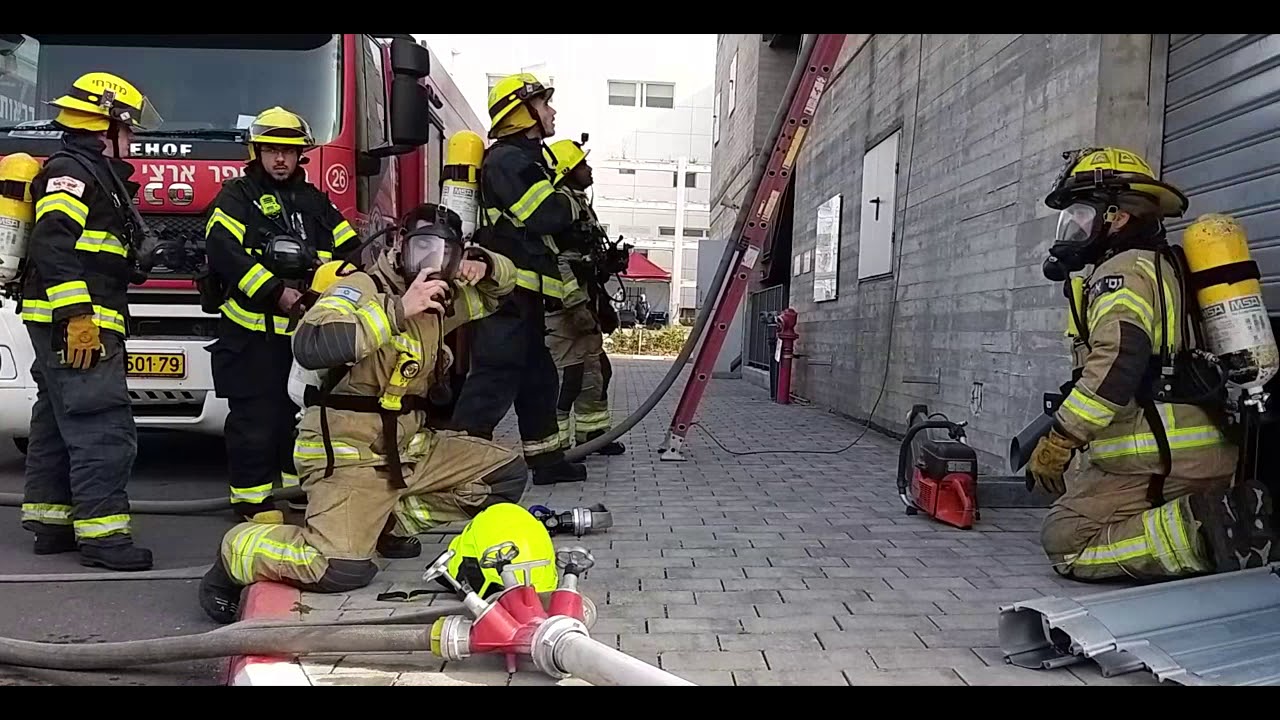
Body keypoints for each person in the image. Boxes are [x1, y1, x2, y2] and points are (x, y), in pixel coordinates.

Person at [198, 203, 529, 624]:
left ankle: (391, 522)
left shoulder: (442, 296)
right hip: (351, 453)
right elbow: (311, 344)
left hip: (410, 449)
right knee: (343, 569)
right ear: (397, 244)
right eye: (422, 248)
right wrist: (397, 311)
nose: (432, 262)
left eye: (445, 253)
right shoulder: (359, 288)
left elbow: (502, 290)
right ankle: (238, 551)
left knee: (505, 474)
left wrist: (484, 263)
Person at [1029, 146, 1277, 582]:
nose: (1071, 228)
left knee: (1066, 540)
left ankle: (1209, 532)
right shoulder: (1165, 266)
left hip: (1162, 460)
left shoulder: (1121, 273)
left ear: (1117, 217)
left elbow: (1118, 361)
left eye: (1082, 214)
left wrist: (1061, 439)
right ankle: (1209, 513)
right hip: (1201, 454)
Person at [16, 72, 162, 571]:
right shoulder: (73, 172)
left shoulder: (89, 170)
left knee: (59, 420)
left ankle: (53, 523)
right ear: (109, 124)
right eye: (130, 129)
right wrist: (79, 314)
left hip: (69, 316)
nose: (135, 140)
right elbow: (52, 242)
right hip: (79, 320)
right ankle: (103, 536)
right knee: (102, 423)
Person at [202, 106, 361, 524]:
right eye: (272, 150)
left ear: (300, 155)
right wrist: (277, 293)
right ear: (256, 152)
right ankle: (253, 503)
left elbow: (351, 253)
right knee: (256, 420)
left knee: (303, 416)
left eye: (288, 151)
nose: (280, 159)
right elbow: (224, 252)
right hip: (252, 335)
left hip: (305, 335)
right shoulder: (238, 197)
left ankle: (296, 493)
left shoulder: (315, 202)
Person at [447, 73, 586, 486]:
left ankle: (546, 462)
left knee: (538, 377)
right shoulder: (509, 160)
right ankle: (460, 467)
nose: (552, 111)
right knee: (495, 375)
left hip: (524, 294)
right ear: (523, 114)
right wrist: (572, 204)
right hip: (505, 292)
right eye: (544, 105)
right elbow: (547, 215)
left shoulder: (527, 160)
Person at [542, 137, 627, 455]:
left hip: (584, 300)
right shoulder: (560, 207)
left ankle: (593, 436)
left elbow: (582, 256)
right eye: (582, 164)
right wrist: (575, 304)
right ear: (567, 170)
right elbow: (558, 261)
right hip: (565, 308)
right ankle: (553, 448)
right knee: (568, 377)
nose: (588, 168)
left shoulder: (577, 205)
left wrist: (607, 263)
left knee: (596, 371)